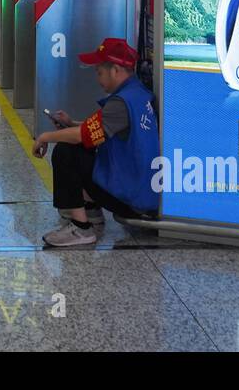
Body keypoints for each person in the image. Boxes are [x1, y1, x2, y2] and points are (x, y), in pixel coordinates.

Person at [33, 38, 159, 246]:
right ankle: (91, 211)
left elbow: (81, 136)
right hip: (138, 188)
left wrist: (45, 137)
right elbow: (100, 129)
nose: (97, 77)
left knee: (65, 150)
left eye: (99, 72)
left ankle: (81, 228)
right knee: (81, 145)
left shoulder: (121, 103)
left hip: (131, 199)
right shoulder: (137, 93)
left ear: (115, 70)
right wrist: (71, 122)